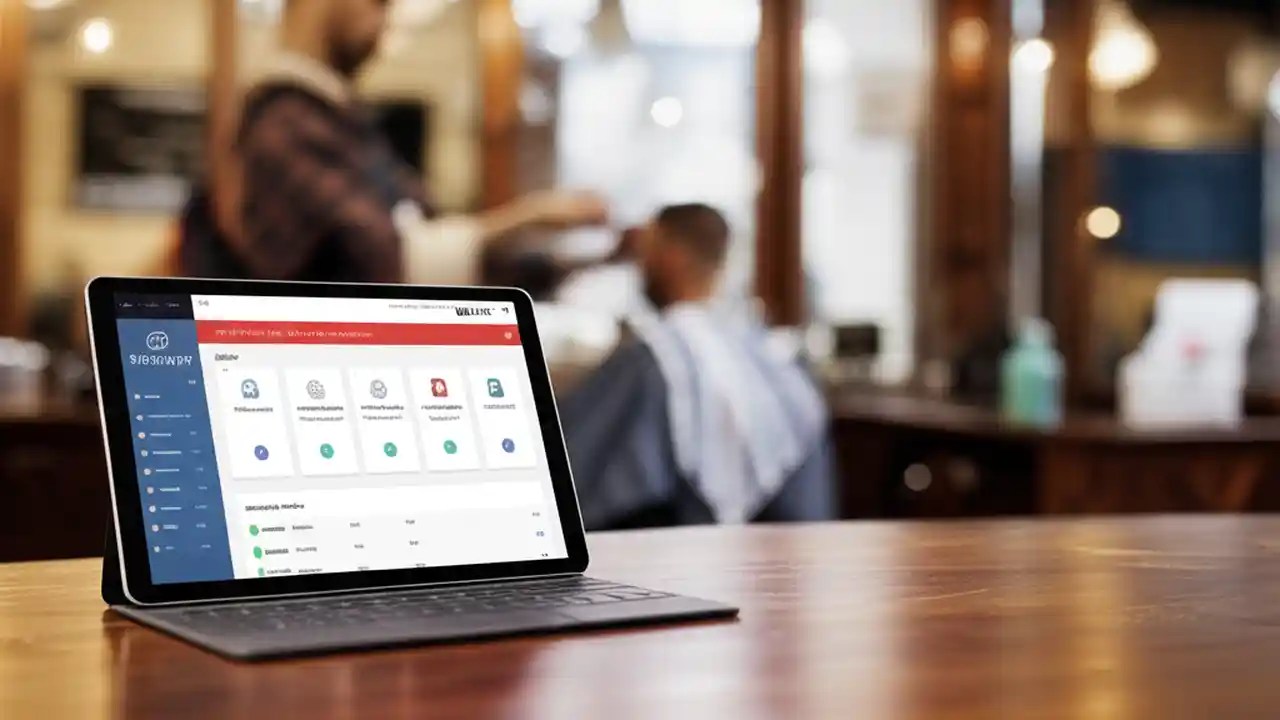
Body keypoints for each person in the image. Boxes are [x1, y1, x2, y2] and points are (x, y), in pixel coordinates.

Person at [184, 0, 606, 283]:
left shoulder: (335, 120)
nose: (384, 26)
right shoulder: (286, 124)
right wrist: (528, 219)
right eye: (378, 3)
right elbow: (383, 258)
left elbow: (423, 225)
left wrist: (569, 257)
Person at [559, 204, 834, 530]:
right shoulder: (778, 363)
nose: (640, 264)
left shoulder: (650, 361)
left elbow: (566, 464)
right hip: (783, 548)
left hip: (664, 547)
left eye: (647, 250)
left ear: (672, 256)